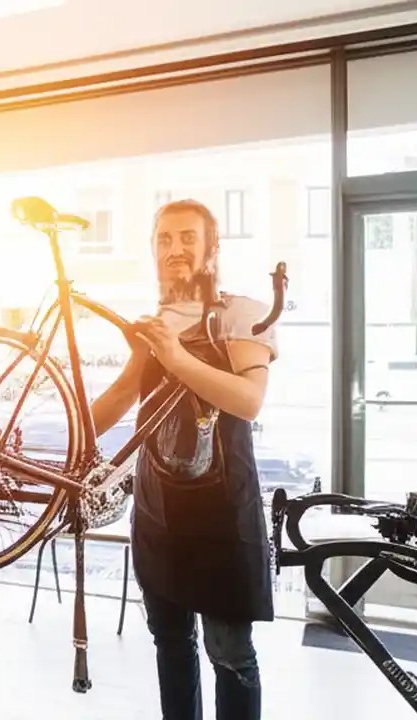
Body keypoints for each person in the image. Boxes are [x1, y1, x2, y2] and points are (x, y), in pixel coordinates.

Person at [90, 199, 278, 720]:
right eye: (165, 240)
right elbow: (123, 395)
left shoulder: (243, 313)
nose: (176, 250)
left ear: (212, 250)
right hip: (157, 515)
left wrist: (175, 356)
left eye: (187, 238)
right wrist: (63, 434)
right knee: (171, 645)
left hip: (222, 517)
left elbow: (248, 399)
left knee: (230, 655)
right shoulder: (156, 323)